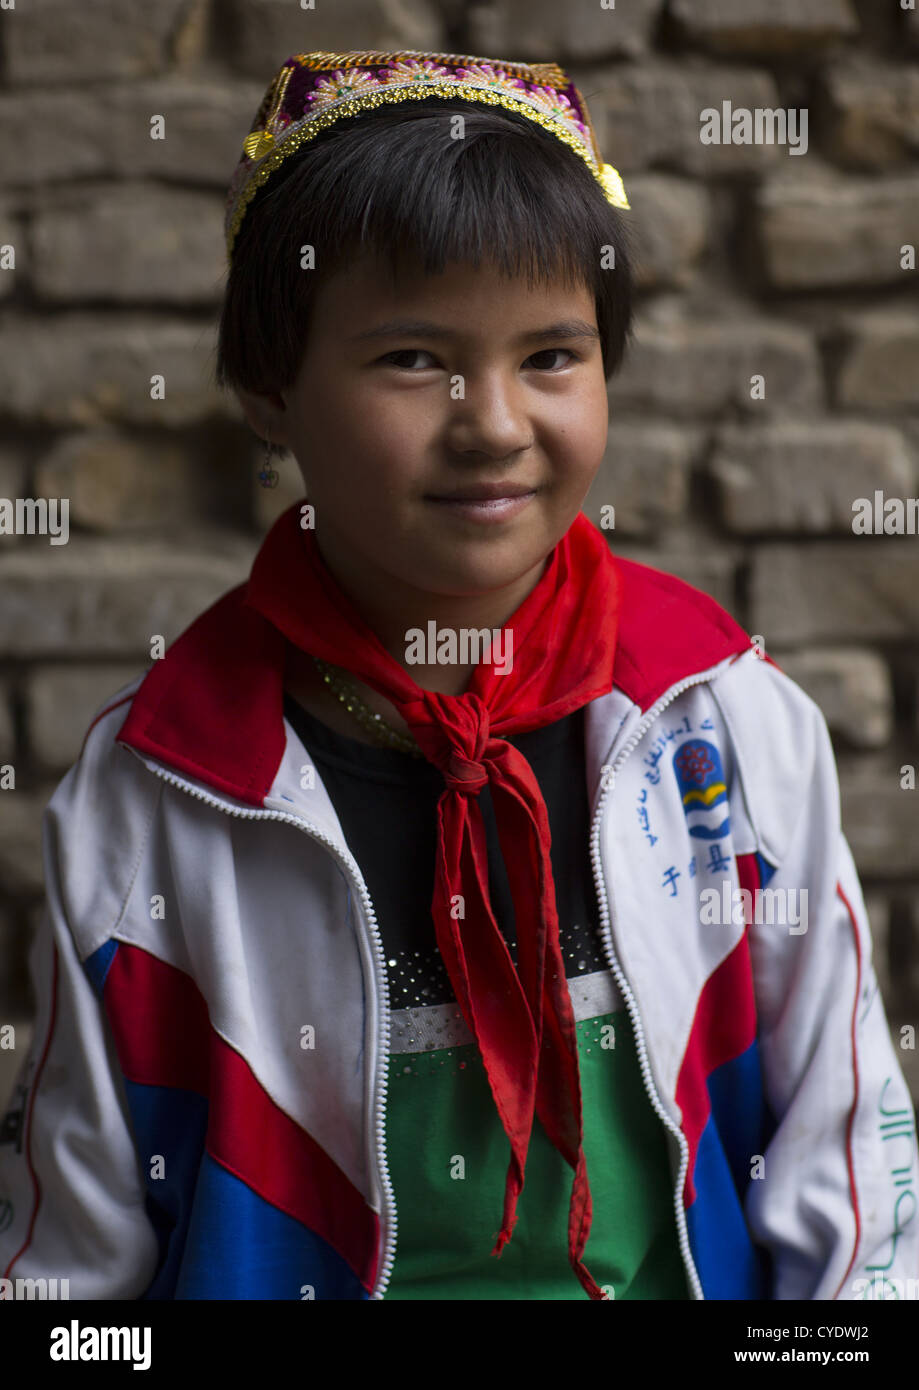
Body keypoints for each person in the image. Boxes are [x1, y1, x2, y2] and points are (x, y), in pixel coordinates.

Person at [0, 47, 915, 1303]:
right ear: (272, 388)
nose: (492, 421)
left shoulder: (724, 721)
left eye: (551, 356)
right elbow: (67, 1284)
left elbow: (857, 1200)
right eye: (412, 360)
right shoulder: (154, 796)